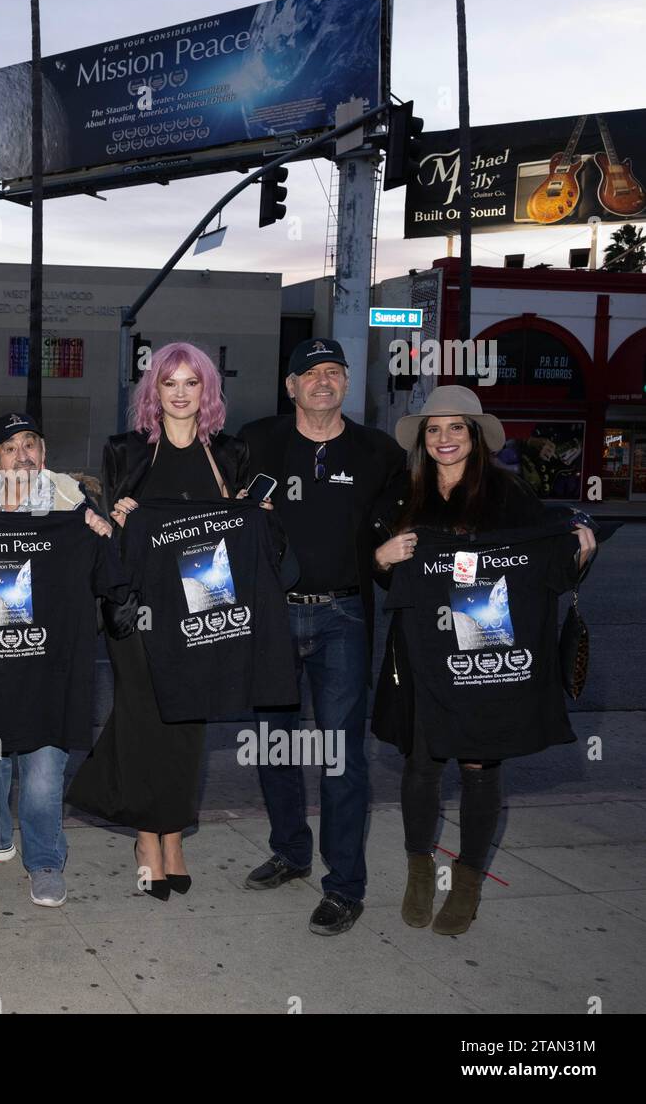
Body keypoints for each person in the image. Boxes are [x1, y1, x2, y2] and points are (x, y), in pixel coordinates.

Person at [372, 385, 596, 935]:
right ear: (422, 440)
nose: (444, 439)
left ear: (474, 436)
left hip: (487, 648)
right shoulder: (403, 492)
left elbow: (547, 560)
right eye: (433, 429)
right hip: (423, 649)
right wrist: (382, 556)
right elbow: (376, 567)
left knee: (478, 765)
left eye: (456, 428)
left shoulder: (507, 493)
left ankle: (468, 878)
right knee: (421, 762)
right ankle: (419, 868)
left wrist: (579, 552)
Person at [66, 342, 248, 901]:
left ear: (207, 391)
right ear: (154, 391)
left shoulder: (231, 454)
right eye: (169, 383)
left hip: (204, 610)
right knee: (144, 719)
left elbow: (241, 537)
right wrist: (112, 519)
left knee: (188, 725)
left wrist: (251, 513)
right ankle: (149, 838)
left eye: (192, 382)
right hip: (139, 610)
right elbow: (111, 536)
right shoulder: (124, 451)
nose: (180, 393)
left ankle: (175, 836)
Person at [238, 338, 405, 935]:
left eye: (334, 372)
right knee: (273, 746)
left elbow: (423, 513)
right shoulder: (255, 441)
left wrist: (385, 553)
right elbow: (206, 503)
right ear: (291, 386)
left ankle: (344, 887)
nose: (323, 381)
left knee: (341, 758)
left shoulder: (379, 452)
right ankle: (290, 850)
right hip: (273, 617)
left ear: (346, 383)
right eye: (311, 373)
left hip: (344, 618)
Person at [0, 412, 111, 907]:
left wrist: (101, 529)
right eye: (10, 447)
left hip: (50, 664)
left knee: (43, 768)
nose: (22, 454)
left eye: (30, 444)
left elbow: (111, 570)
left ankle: (46, 859)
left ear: (44, 453)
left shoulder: (73, 503)